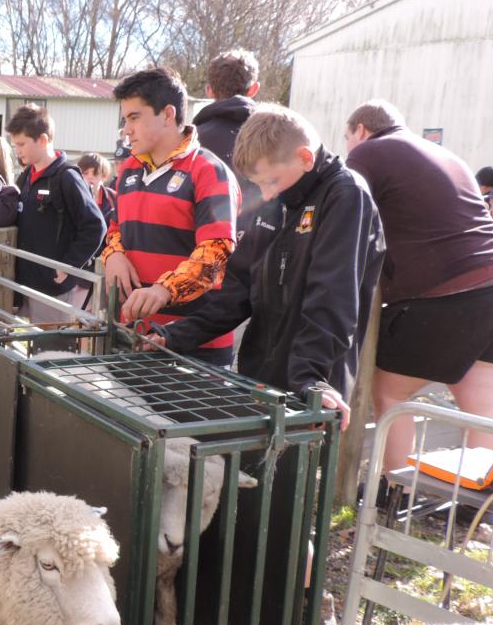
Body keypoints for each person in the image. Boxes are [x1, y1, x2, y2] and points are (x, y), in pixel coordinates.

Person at [149, 105, 384, 427]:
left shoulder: (345, 195)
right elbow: (240, 285)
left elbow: (333, 294)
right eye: (258, 184)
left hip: (309, 381)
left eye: (271, 181)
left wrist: (311, 378)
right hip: (260, 374)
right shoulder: (278, 201)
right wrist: (177, 335)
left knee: (292, 471)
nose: (266, 193)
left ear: (304, 158)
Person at [345, 99, 493, 475]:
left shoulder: (371, 152)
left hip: (450, 289)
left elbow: (347, 212)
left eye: (348, 139)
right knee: (481, 404)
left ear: (360, 130)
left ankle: (394, 491)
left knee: (390, 393)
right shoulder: (444, 155)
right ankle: (476, 501)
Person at [103, 67, 239, 366]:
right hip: (132, 336)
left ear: (167, 114)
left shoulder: (209, 171)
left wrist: (165, 289)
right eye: (125, 119)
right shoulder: (128, 169)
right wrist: (113, 254)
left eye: (135, 118)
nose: (126, 129)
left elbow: (216, 253)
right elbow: (115, 228)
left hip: (193, 347)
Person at [6, 103, 106, 323]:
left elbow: (95, 225)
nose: (17, 150)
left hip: (53, 287)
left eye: (21, 144)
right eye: (15, 145)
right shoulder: (25, 177)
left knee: (51, 350)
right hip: (26, 282)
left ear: (42, 140)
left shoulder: (67, 177)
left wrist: (68, 266)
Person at [192, 49, 263, 236]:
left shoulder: (189, 143)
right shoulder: (274, 138)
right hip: (259, 253)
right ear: (254, 89)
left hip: (199, 252)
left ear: (209, 90)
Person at [76, 152, 116, 225]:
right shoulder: (71, 196)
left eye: (95, 173)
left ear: (104, 176)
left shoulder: (113, 197)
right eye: (85, 173)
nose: (90, 177)